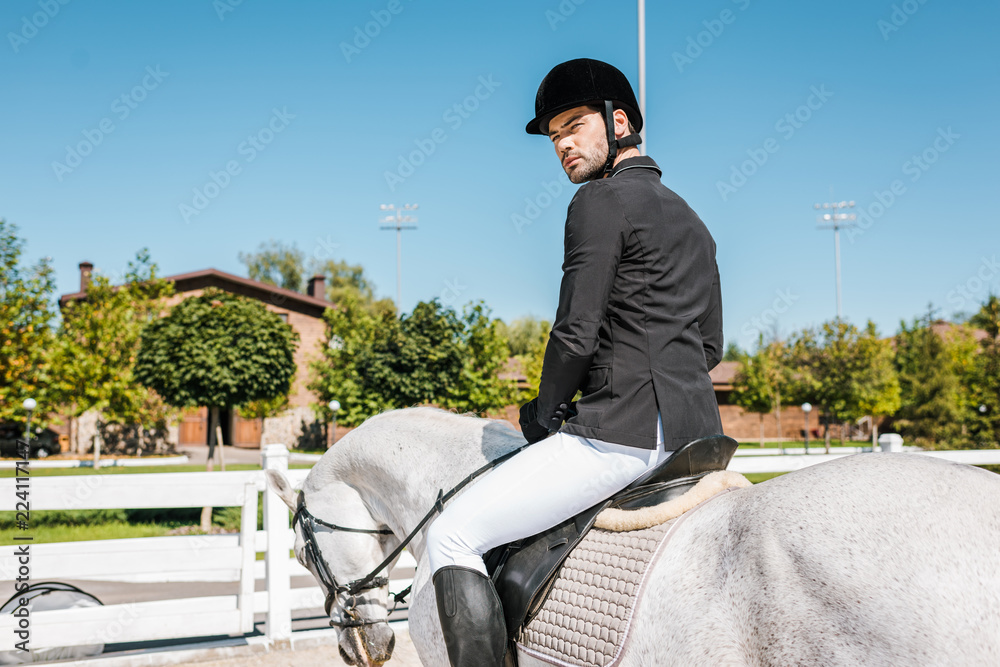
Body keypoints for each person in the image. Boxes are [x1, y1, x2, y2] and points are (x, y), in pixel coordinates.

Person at [426, 58, 724, 666]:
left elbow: (575, 331)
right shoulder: (694, 221)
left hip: (622, 434)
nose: (562, 143)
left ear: (619, 122)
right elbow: (711, 347)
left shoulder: (600, 200)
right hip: (698, 436)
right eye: (554, 134)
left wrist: (546, 409)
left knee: (449, 534)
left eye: (573, 125)